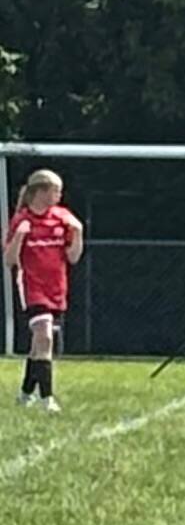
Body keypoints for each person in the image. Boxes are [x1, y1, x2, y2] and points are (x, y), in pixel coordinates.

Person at [5, 169, 84, 414]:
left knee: (39, 343)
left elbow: (73, 257)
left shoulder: (62, 217)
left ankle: (25, 392)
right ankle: (47, 397)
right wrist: (19, 237)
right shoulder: (22, 220)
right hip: (32, 286)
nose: (60, 195)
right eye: (56, 190)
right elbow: (9, 260)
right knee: (46, 337)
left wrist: (78, 232)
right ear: (41, 192)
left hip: (56, 287)